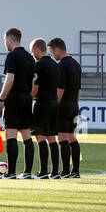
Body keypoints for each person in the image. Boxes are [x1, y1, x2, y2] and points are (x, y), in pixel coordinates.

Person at [0, 27, 35, 178]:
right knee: (26, 135)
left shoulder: (11, 56)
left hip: (14, 99)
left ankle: (11, 172)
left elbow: (9, 79)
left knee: (11, 134)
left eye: (5, 40)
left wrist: (1, 99)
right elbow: (32, 80)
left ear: (10, 40)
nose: (5, 43)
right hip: (26, 98)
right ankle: (27, 172)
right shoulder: (30, 57)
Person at [29, 37, 61, 179]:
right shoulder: (55, 65)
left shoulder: (38, 65)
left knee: (40, 137)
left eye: (32, 51)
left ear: (37, 50)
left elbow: (35, 87)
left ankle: (43, 171)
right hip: (53, 103)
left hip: (41, 103)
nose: (32, 54)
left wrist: (28, 99)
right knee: (52, 138)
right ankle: (54, 172)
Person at [52, 38, 81, 178]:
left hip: (63, 105)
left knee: (62, 137)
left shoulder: (61, 65)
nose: (52, 54)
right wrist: (76, 104)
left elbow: (60, 89)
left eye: (52, 51)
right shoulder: (76, 64)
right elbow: (79, 89)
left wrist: (55, 105)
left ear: (58, 49)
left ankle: (65, 171)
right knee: (72, 137)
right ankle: (75, 171)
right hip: (74, 105)